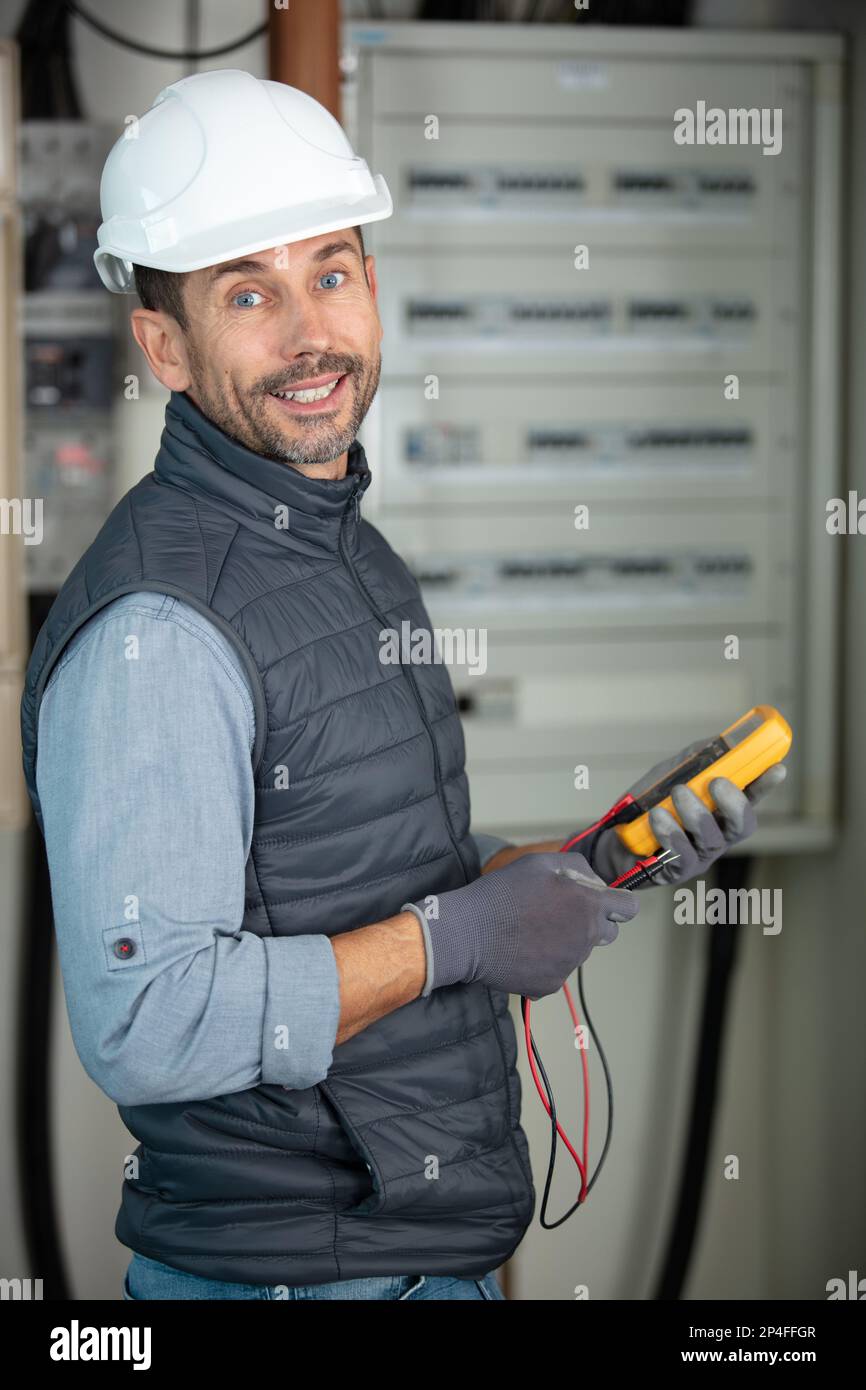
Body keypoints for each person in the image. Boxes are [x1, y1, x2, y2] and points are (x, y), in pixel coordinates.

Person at [20, 71, 783, 1302]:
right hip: (298, 1278)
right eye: (246, 293)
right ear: (163, 343)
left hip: (414, 1256)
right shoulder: (155, 627)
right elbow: (147, 1020)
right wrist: (455, 940)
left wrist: (570, 869)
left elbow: (338, 859)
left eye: (329, 270)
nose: (308, 333)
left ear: (372, 285)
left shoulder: (340, 546)